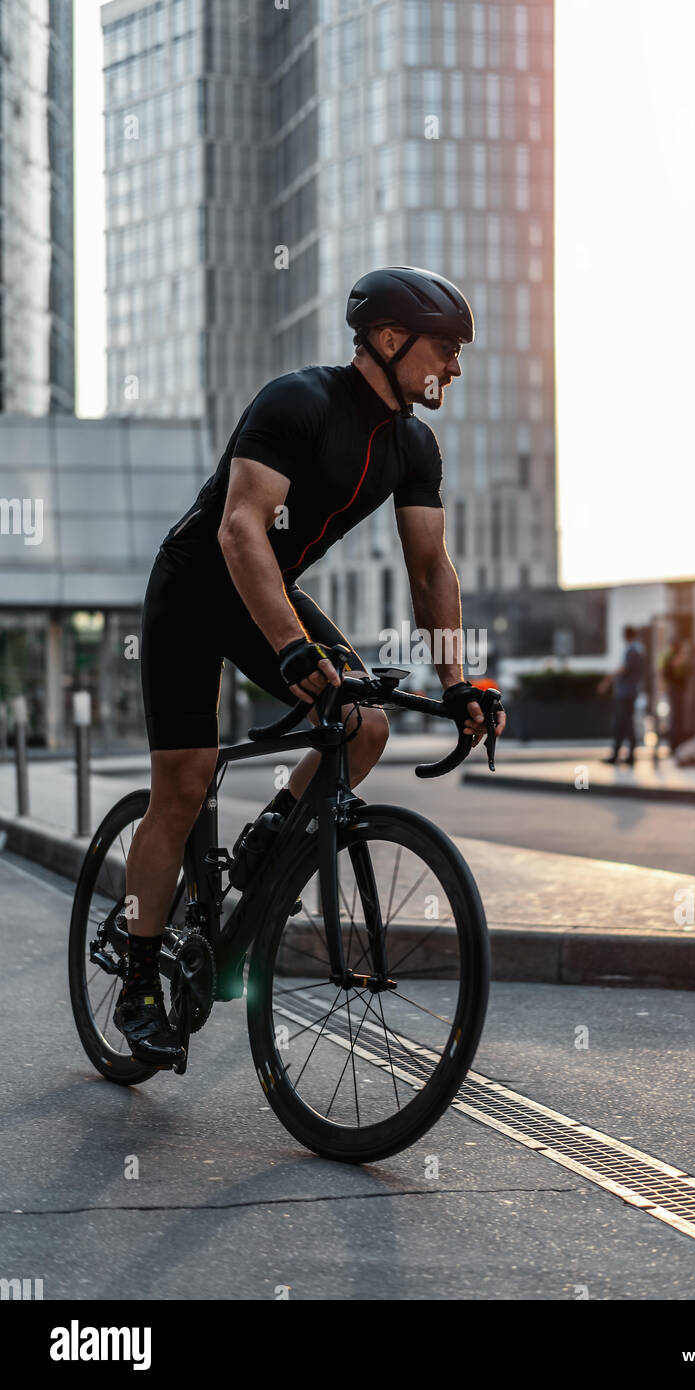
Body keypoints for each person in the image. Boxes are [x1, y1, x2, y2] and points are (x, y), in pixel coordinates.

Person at [116, 266, 507, 1067]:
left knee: (363, 723)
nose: (456, 368)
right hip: (197, 588)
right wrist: (291, 643)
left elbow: (430, 569)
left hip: (265, 593)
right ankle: (137, 977)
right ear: (391, 340)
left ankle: (268, 839)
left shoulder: (411, 444)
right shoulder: (296, 401)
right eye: (446, 349)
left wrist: (455, 680)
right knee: (185, 782)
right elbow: (238, 529)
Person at [597, 625, 645, 767]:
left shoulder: (632, 651)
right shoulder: (637, 650)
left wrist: (608, 679)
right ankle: (620, 754)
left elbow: (624, 668)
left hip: (626, 693)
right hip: (628, 692)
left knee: (623, 723)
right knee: (623, 723)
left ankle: (626, 754)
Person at [660, 637, 693, 754]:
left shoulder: (671, 655)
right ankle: (674, 745)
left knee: (678, 717)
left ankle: (677, 744)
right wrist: (685, 654)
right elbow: (674, 665)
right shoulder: (671, 656)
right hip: (674, 689)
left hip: (677, 689)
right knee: (676, 718)